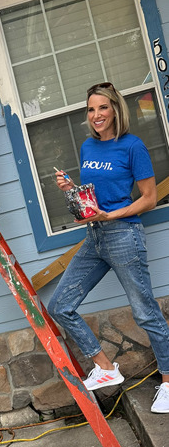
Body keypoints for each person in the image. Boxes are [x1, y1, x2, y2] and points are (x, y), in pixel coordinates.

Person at [48, 82, 169, 413]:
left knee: (145, 311)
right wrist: (72, 188)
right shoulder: (88, 147)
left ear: (115, 110)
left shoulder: (132, 147)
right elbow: (95, 196)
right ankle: (104, 368)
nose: (96, 114)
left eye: (102, 107)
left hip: (123, 235)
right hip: (95, 236)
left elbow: (149, 198)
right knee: (60, 305)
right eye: (91, 109)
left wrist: (111, 213)